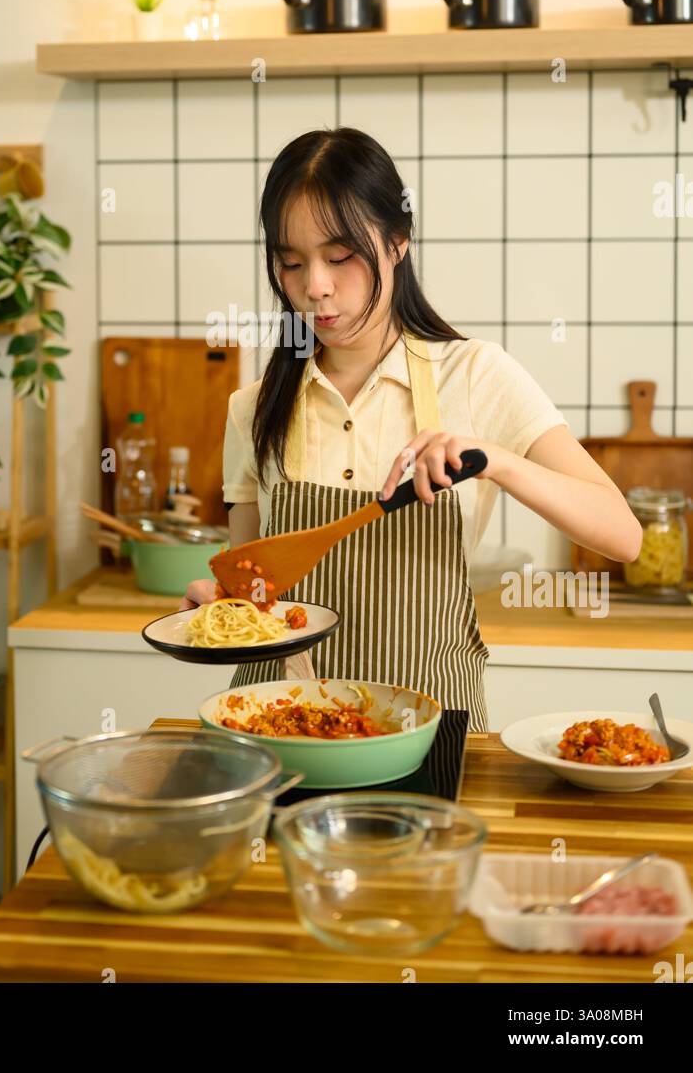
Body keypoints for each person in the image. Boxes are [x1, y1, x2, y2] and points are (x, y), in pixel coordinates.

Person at [178, 127, 642, 731]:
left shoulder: (476, 376)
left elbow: (623, 535)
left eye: (340, 257)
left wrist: (493, 457)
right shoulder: (253, 409)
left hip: (427, 735)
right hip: (278, 731)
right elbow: (255, 593)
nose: (315, 285)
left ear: (397, 242)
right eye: (291, 262)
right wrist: (219, 615)